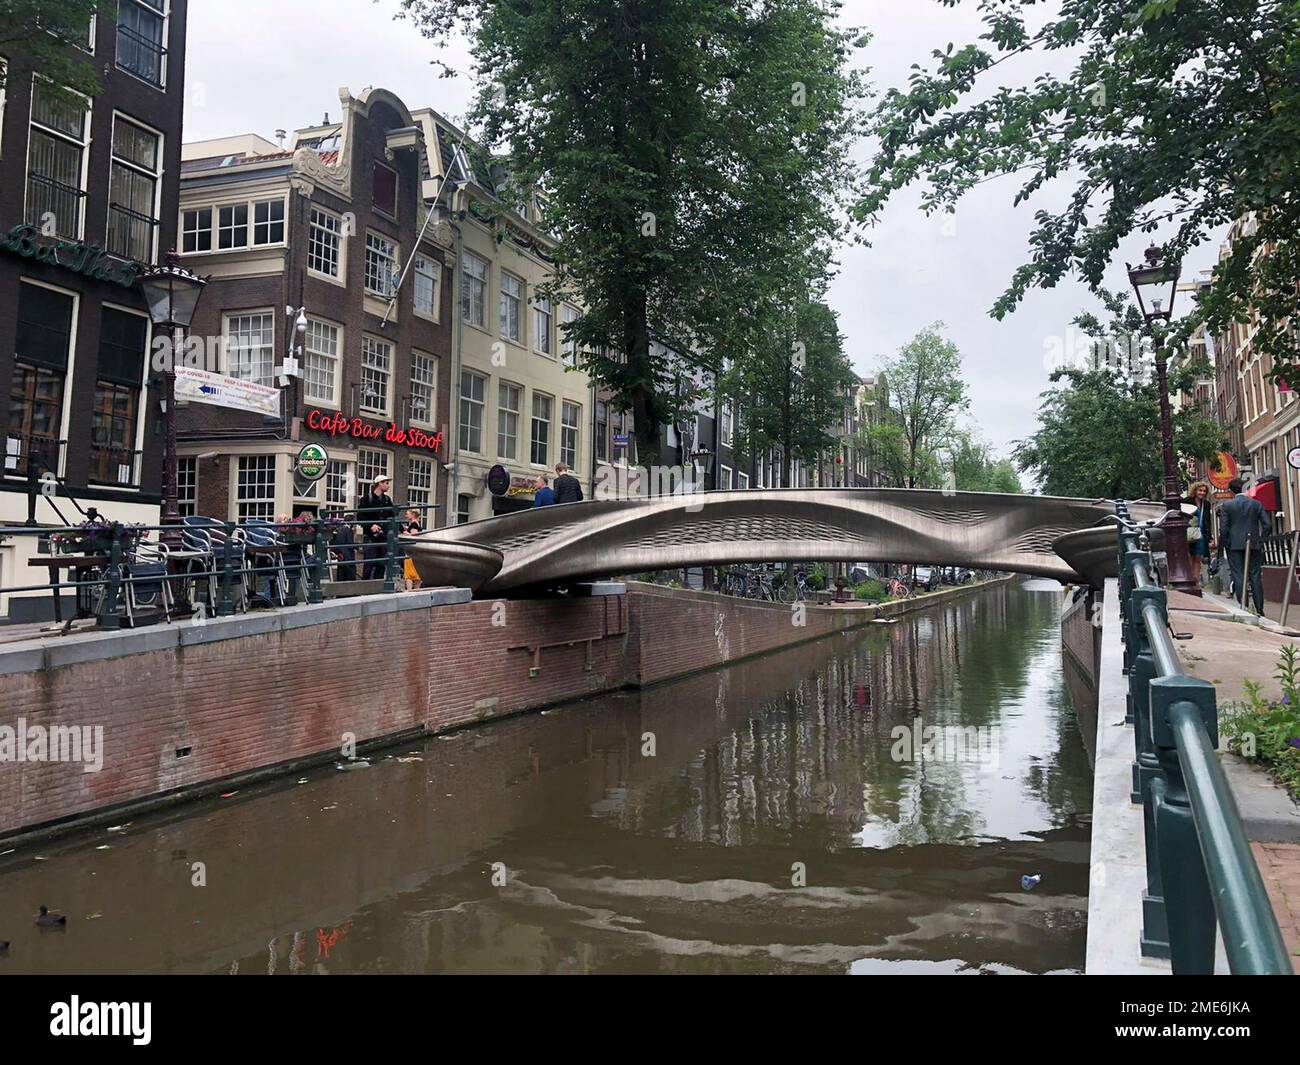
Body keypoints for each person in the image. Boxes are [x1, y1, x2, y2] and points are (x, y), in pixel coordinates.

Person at [1218, 477, 1271, 614]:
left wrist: (1227, 544)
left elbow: (1223, 529)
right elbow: (1267, 525)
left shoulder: (1227, 506)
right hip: (1254, 544)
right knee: (1255, 575)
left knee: (1238, 574)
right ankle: (1260, 609)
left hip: (1234, 546)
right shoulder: (1256, 504)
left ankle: (1244, 607)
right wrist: (1260, 540)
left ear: (1231, 491)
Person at [357, 474, 396, 581]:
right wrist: (371, 525)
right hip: (370, 537)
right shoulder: (366, 499)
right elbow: (360, 516)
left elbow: (391, 516)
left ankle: (378, 586)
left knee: (382, 563)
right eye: (386, 483)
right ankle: (366, 587)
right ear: (380, 484)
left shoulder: (387, 499)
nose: (388, 486)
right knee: (369, 563)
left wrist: (402, 529)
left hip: (383, 536)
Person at [1183, 480, 1214, 585]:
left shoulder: (1206, 504)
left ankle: (1195, 580)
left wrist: (1209, 536)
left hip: (1201, 534)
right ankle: (1189, 577)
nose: (1202, 493)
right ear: (1195, 490)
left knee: (1198, 556)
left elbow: (1208, 520)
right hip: (1190, 533)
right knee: (1189, 556)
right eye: (1200, 490)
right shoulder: (1187, 501)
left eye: (1204, 491)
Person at [402, 508, 423, 590]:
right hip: (417, 552)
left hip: (411, 552)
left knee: (409, 574)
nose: (406, 515)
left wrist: (406, 533)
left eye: (408, 514)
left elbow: (414, 537)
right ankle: (416, 591)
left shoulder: (413, 524)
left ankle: (410, 591)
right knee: (417, 573)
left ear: (413, 515)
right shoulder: (417, 524)